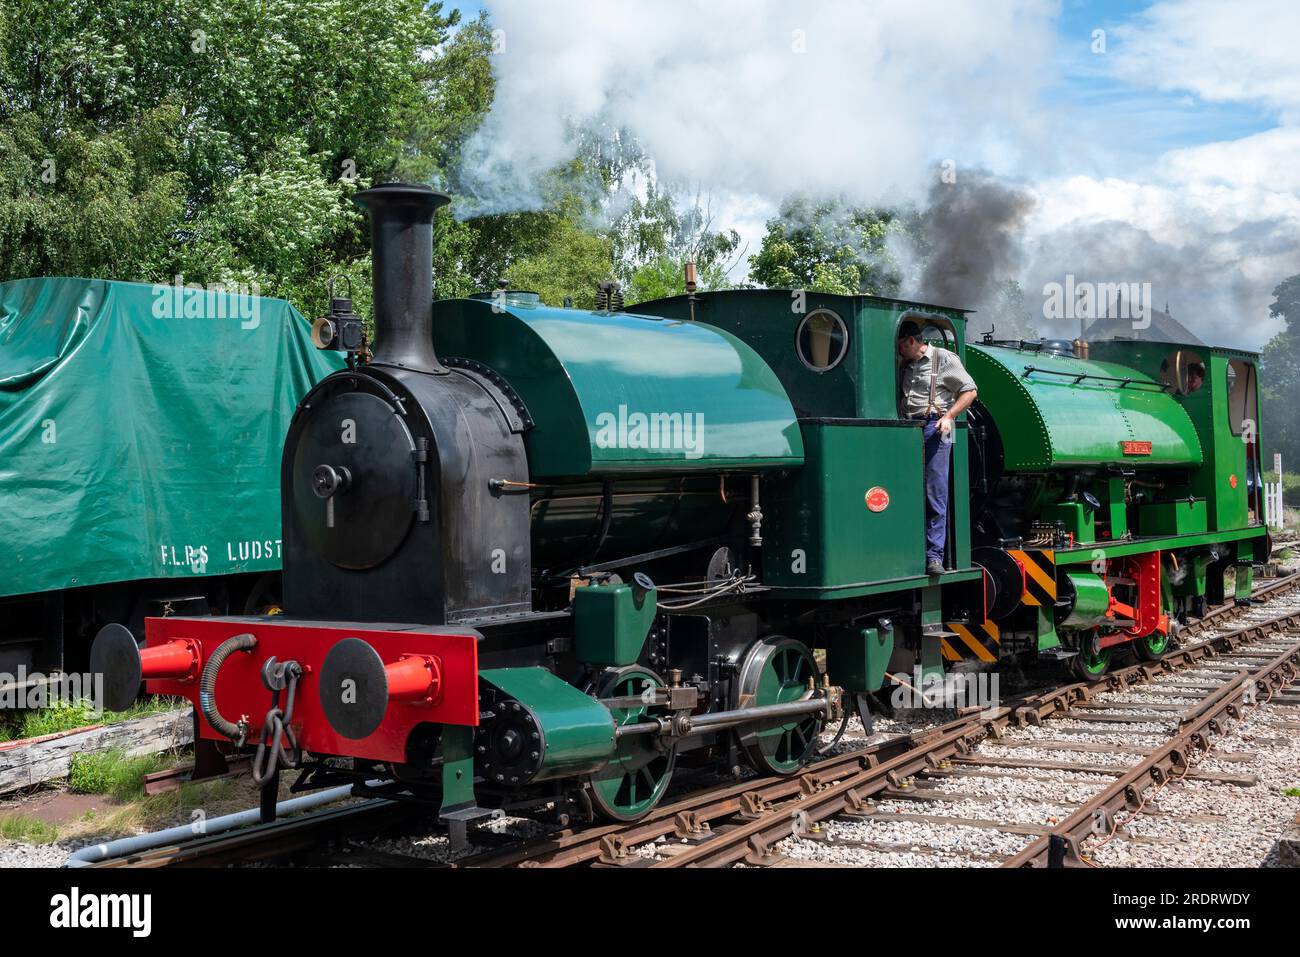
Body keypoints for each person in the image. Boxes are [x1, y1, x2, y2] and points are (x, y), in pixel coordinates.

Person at [896, 321, 978, 576]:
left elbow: (970, 390)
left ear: (911, 341)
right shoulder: (904, 365)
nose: (898, 351)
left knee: (935, 493)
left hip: (934, 427)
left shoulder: (943, 358)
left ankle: (934, 556)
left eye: (900, 346)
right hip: (907, 427)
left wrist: (949, 416)